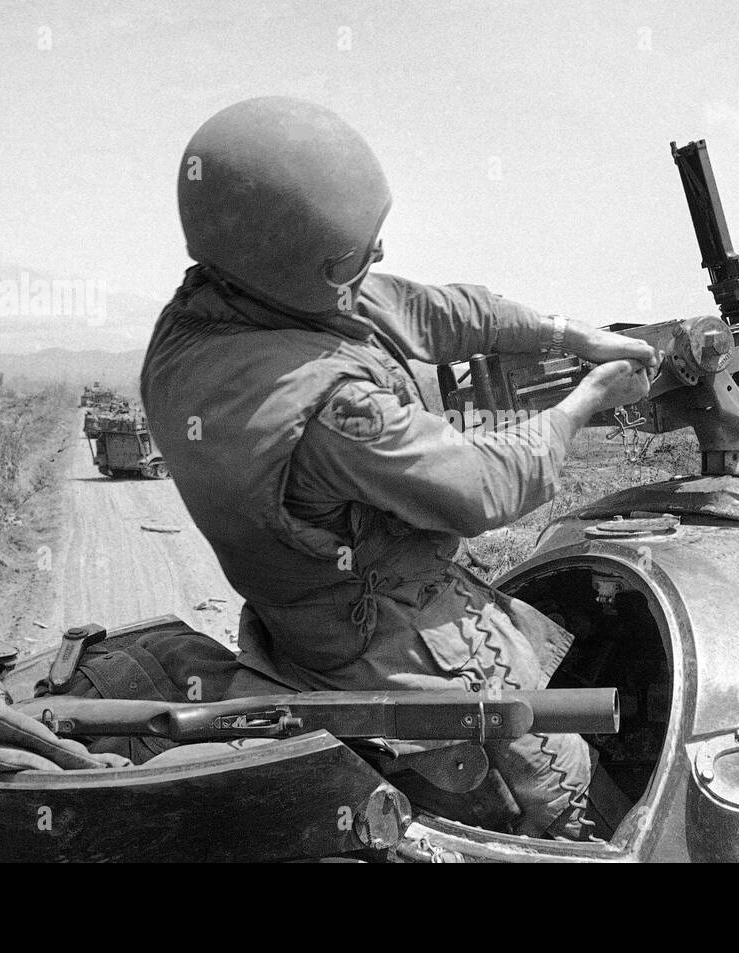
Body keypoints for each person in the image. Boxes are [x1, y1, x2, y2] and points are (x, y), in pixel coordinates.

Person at [141, 97, 655, 838]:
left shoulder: (218, 309)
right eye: (353, 256)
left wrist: (568, 331)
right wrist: (585, 403)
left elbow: (436, 311)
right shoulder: (325, 408)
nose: (374, 261)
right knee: (570, 809)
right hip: (403, 653)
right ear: (294, 265)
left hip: (309, 628)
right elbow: (482, 487)